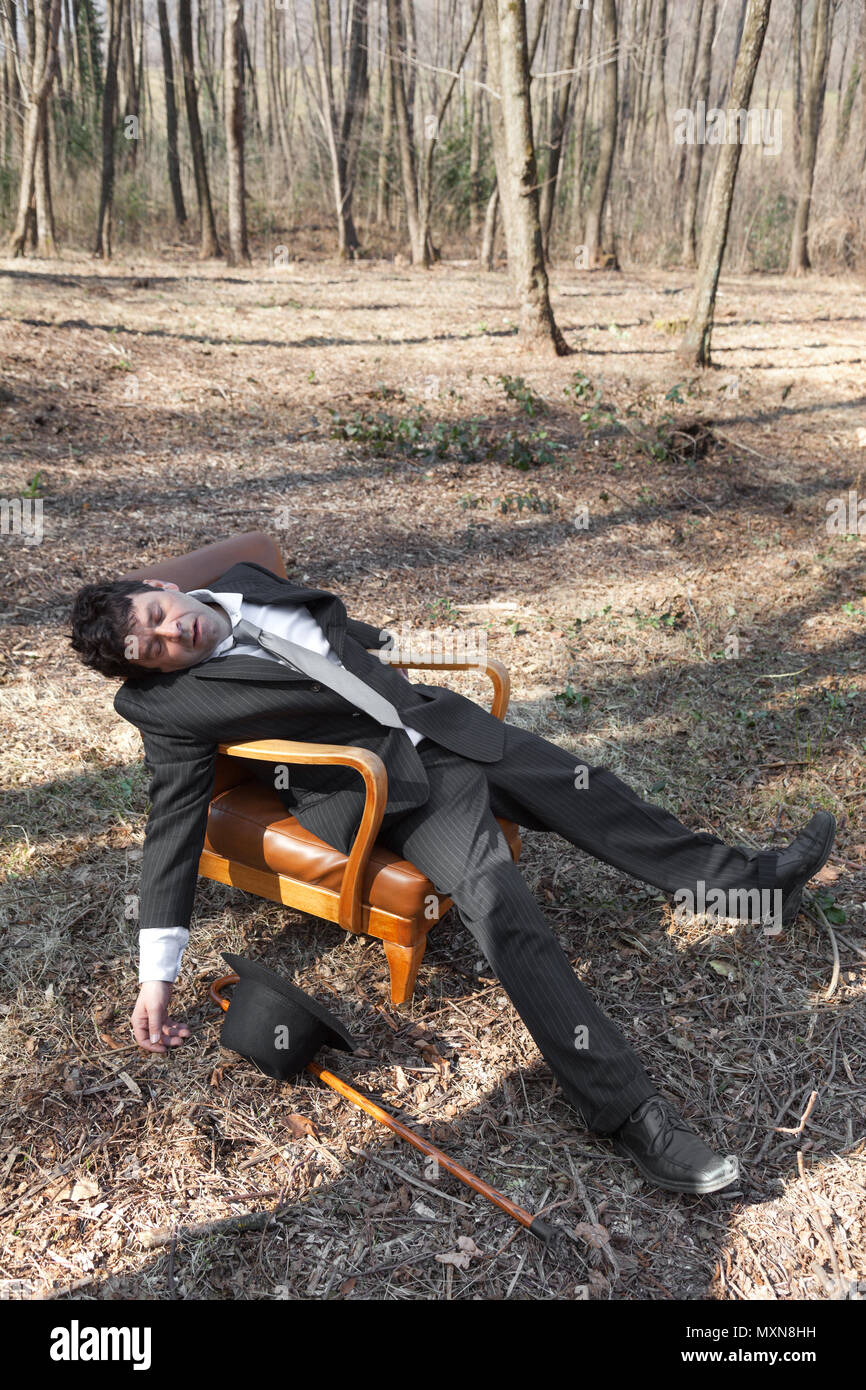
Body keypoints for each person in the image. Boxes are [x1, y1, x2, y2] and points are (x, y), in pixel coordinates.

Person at [69, 558, 835, 1196]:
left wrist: (378, 655)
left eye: (159, 614)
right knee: (500, 904)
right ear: (149, 673)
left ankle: (751, 887)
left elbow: (337, 638)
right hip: (392, 786)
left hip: (441, 721)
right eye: (155, 649)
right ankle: (631, 1114)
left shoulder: (244, 581)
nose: (174, 634)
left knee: (596, 794)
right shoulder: (166, 707)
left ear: (159, 585)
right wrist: (155, 977)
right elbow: (172, 824)